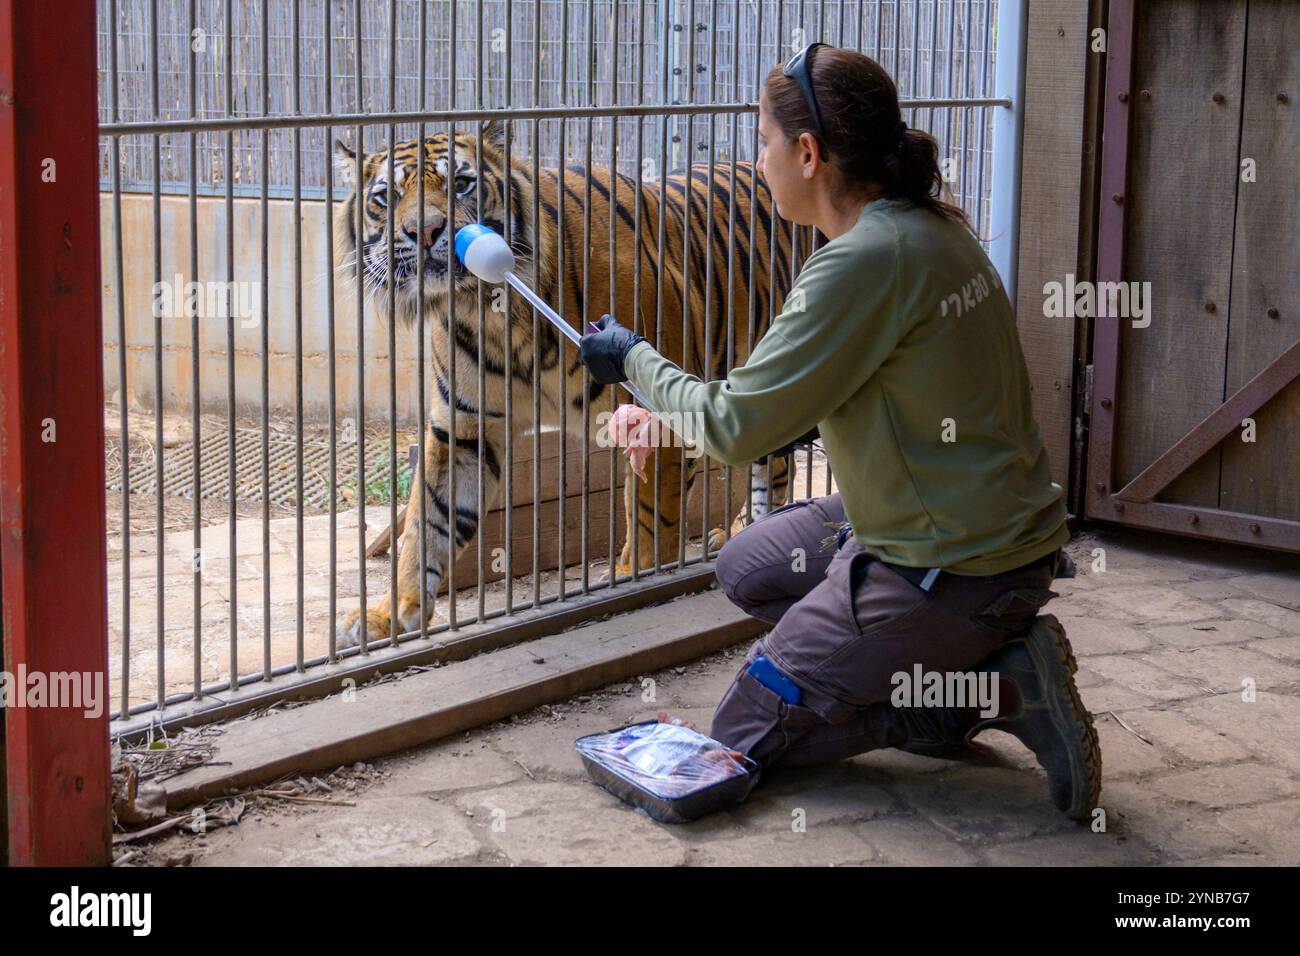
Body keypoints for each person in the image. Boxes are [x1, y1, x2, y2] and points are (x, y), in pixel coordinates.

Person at [579, 44, 1100, 821]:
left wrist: (631, 358)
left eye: (764, 141)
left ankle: (994, 688)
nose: (758, 162)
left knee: (743, 734)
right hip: (958, 531)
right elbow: (792, 404)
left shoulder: (863, 261)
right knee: (748, 567)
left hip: (954, 564)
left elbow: (735, 426)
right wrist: (666, 413)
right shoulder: (926, 227)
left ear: (810, 153)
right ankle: (908, 655)